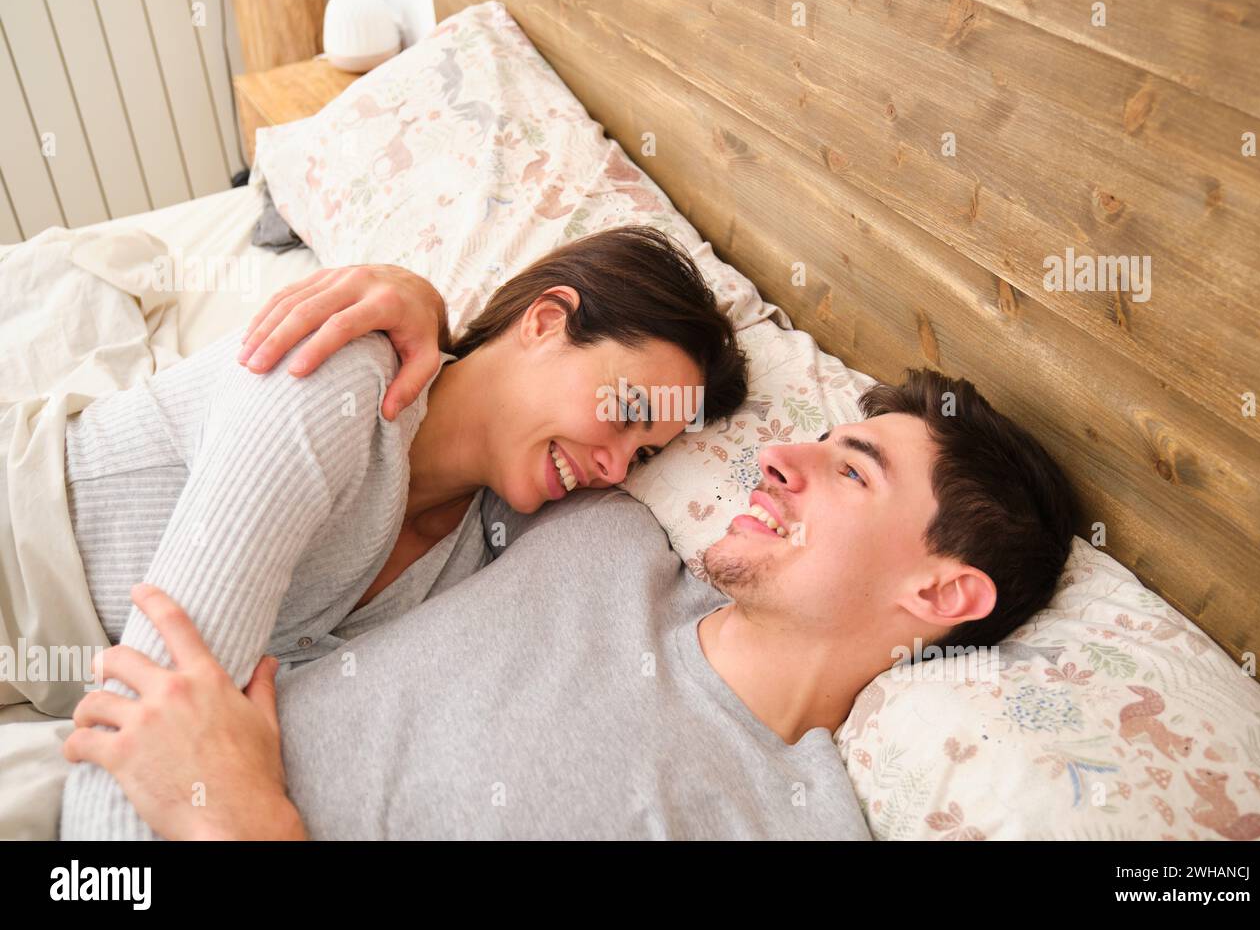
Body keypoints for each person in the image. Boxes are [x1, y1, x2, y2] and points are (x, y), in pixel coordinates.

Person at [60, 285, 1076, 838]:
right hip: (89, 772)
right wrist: (420, 302)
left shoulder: (782, 818)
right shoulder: (601, 530)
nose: (776, 455)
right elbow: (474, 420)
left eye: (853, 470)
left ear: (942, 591)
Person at [56, 226, 748, 839]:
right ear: (544, 322)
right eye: (626, 410)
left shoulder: (482, 552)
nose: (616, 465)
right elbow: (145, 717)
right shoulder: (342, 380)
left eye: (646, 455)